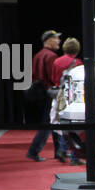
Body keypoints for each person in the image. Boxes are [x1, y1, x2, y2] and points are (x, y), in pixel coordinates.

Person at [26, 29, 63, 161]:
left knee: (52, 121)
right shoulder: (51, 56)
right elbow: (51, 77)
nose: (59, 41)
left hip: (39, 93)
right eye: (56, 38)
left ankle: (59, 151)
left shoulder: (39, 55)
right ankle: (33, 151)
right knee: (49, 122)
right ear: (48, 40)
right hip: (48, 93)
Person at [50, 37, 84, 163]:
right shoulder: (78, 63)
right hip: (72, 96)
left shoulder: (57, 62)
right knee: (74, 125)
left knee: (61, 123)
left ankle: (62, 149)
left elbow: (53, 78)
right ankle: (74, 156)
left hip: (59, 95)